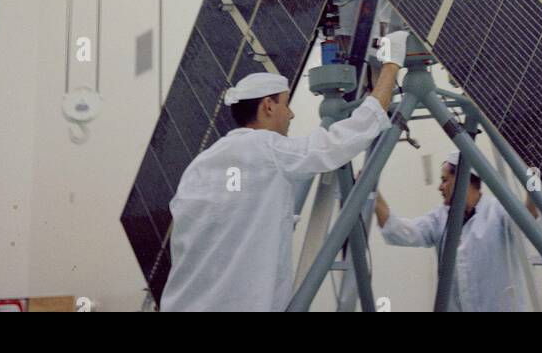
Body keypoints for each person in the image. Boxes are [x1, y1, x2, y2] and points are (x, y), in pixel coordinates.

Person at [159, 30, 410, 312]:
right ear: (268, 106)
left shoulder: (200, 165)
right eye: (286, 104)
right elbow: (349, 136)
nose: (290, 115)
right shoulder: (269, 150)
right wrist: (392, 64)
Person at [374, 149, 537, 311]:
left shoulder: (498, 211)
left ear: (462, 180)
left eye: (445, 180)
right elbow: (399, 231)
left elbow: (529, 217)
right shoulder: (439, 218)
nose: (440, 187)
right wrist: (372, 191)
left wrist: (535, 177)